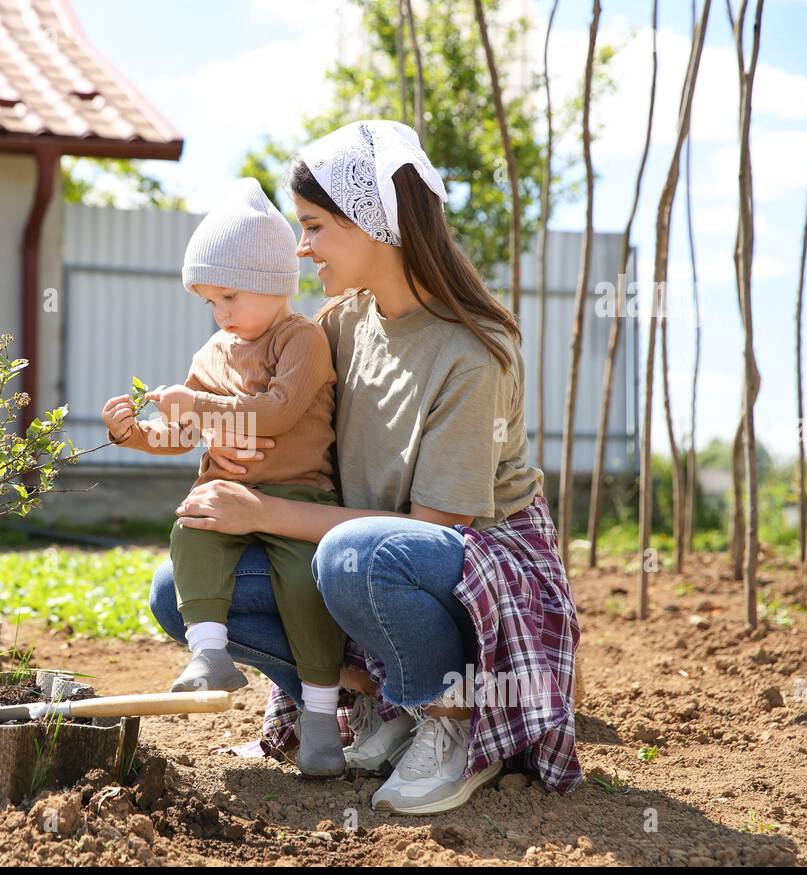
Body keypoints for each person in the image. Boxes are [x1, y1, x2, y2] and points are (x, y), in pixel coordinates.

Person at [148, 121, 584, 815]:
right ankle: (380, 701)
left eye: (316, 226)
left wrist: (264, 514)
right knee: (180, 589)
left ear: (376, 224)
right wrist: (218, 438)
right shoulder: (342, 324)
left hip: (475, 561)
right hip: (358, 547)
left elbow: (436, 526)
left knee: (354, 557)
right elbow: (276, 417)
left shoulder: (473, 354)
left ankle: (453, 718)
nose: (301, 246)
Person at [100, 178, 350, 778]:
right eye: (211, 302)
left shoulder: (303, 339)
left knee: (303, 587)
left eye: (231, 296)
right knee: (191, 529)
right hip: (226, 493)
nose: (222, 314)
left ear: (273, 283)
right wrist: (133, 434)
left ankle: (320, 725)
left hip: (297, 495)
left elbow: (282, 410)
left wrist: (202, 409)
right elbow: (181, 436)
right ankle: (209, 652)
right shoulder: (212, 354)